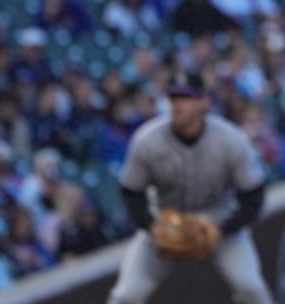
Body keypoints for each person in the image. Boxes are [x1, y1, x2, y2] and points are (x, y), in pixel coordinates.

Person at [108, 70, 273, 304]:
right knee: (125, 296)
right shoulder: (147, 140)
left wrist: (223, 229)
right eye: (173, 98)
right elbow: (131, 192)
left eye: (185, 98)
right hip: (164, 219)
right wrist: (151, 226)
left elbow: (254, 195)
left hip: (219, 218)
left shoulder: (230, 139)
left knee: (252, 289)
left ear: (204, 101)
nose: (178, 105)